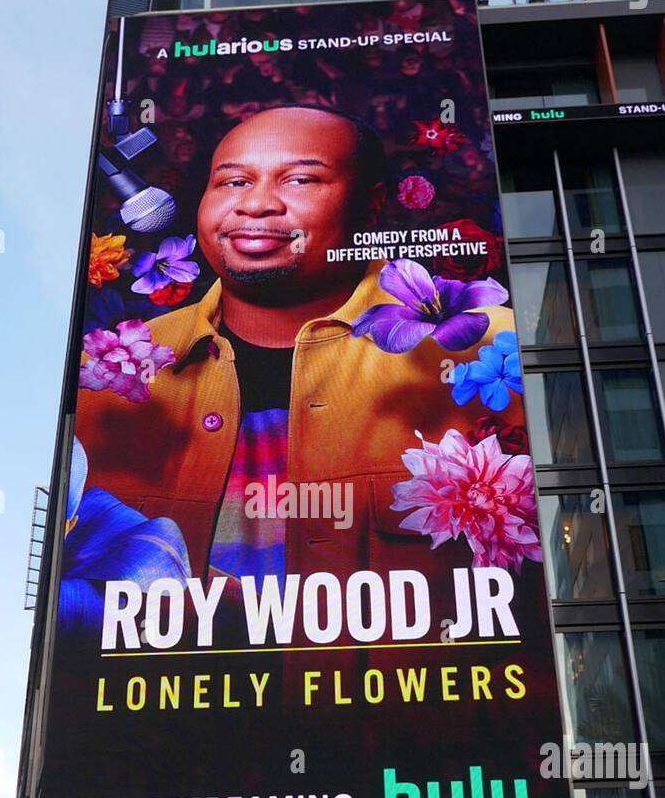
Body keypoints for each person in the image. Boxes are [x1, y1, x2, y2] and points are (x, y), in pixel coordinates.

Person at [75, 104, 510, 611]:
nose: (256, 205)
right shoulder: (109, 374)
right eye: (233, 183)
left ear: (370, 207)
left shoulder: (487, 348)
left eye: (300, 180)